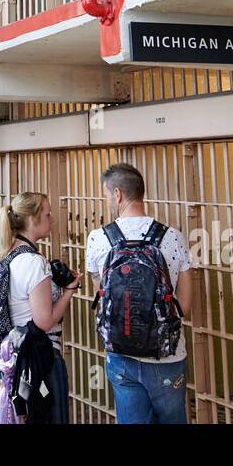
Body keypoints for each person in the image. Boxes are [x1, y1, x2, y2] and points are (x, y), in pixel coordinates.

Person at [85, 162, 194, 424]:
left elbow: (102, 296)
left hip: (121, 353)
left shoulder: (98, 238)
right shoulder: (173, 237)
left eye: (106, 194)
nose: (107, 200)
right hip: (167, 354)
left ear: (118, 194)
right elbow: (185, 305)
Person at [0, 191, 79, 424]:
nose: (52, 219)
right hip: (40, 359)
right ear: (32, 219)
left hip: (14, 355)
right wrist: (69, 290)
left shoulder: (5, 256)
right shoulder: (33, 262)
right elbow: (44, 321)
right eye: (48, 214)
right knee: (49, 417)